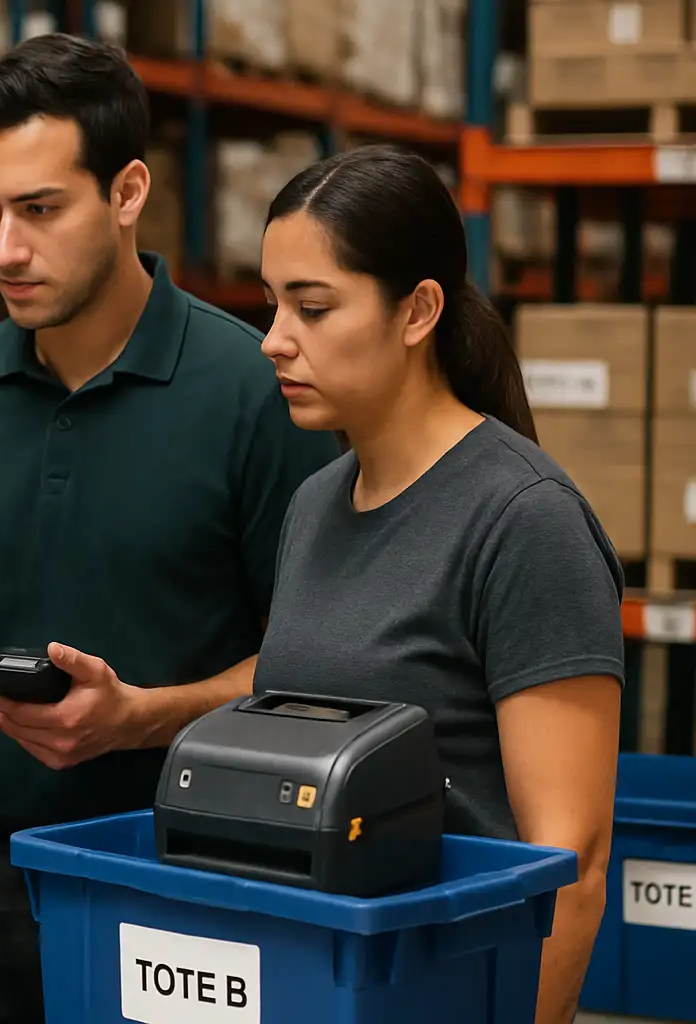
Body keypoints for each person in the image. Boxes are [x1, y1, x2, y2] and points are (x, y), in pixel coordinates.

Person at [0, 33, 342, 1024]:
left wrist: (140, 716)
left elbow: (313, 674)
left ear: (128, 192)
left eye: (40, 209)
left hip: (192, 882)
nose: (4, 249)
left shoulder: (253, 394)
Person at [247, 145, 621, 1024]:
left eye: (312, 307)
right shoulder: (314, 505)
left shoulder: (525, 521)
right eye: (272, 304)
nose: (274, 339)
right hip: (321, 987)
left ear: (417, 311)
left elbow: (570, 870)